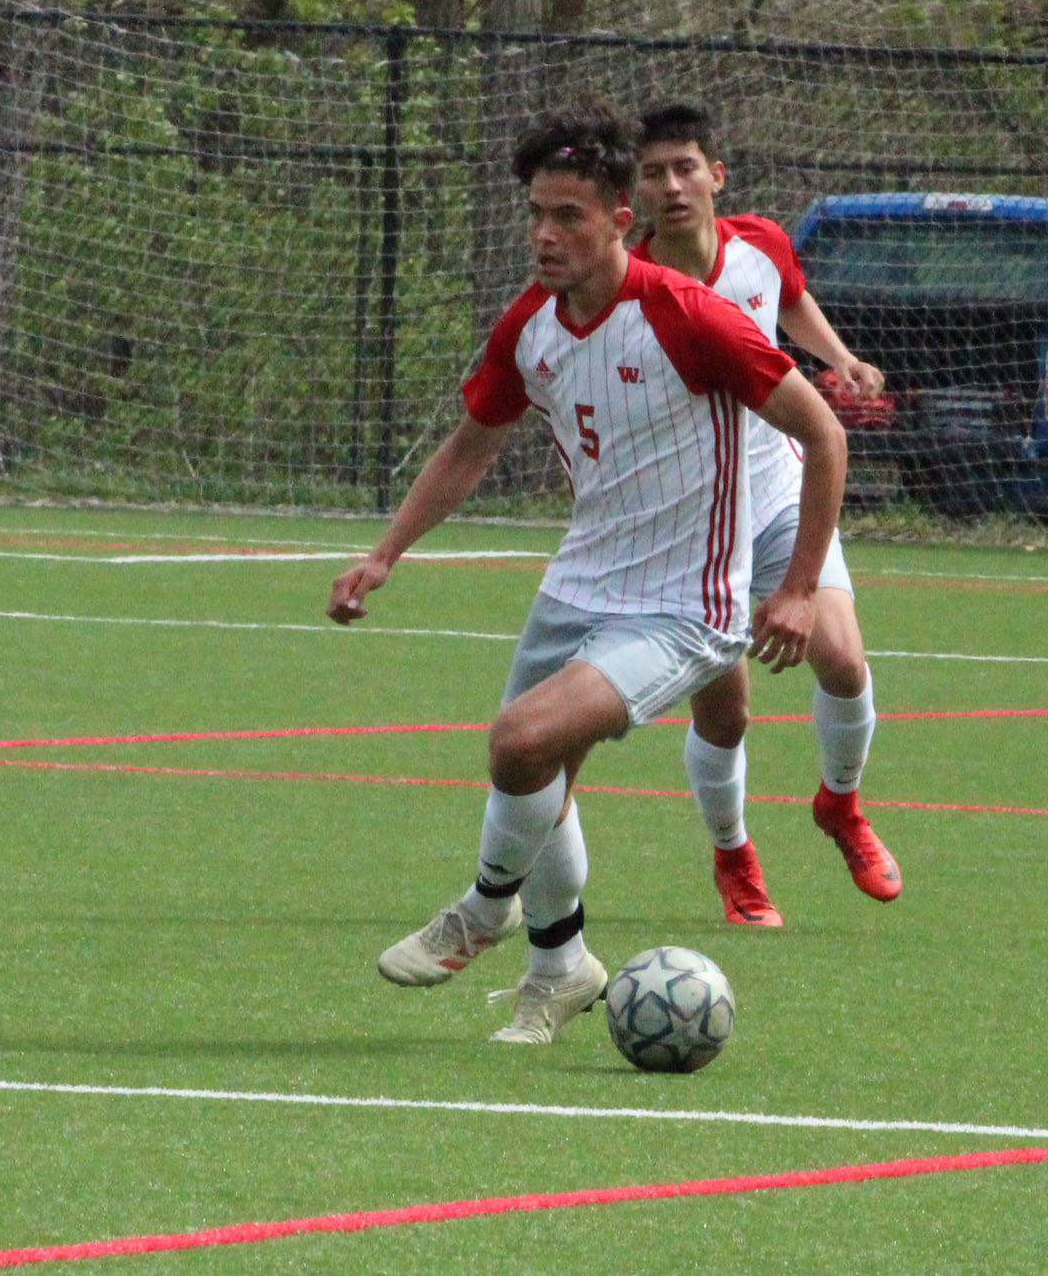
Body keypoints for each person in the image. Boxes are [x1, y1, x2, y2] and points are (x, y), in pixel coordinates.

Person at [327, 105, 846, 1044]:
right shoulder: (531, 324)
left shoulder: (688, 317)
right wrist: (385, 551)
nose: (543, 234)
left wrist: (799, 586)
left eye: (567, 215)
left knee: (520, 742)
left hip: (685, 609)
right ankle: (558, 968)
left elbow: (823, 434)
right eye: (535, 212)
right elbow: (471, 444)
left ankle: (485, 910)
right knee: (540, 776)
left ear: (618, 218)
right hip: (577, 587)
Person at [631, 100, 901, 928]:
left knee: (843, 661)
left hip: (777, 486)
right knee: (728, 710)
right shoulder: (628, 287)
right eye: (652, 172)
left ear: (716, 175)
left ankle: (840, 806)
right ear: (633, 192)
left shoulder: (761, 245)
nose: (671, 185)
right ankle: (734, 857)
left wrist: (840, 358)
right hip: (688, 517)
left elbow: (787, 300)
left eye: (685, 167)